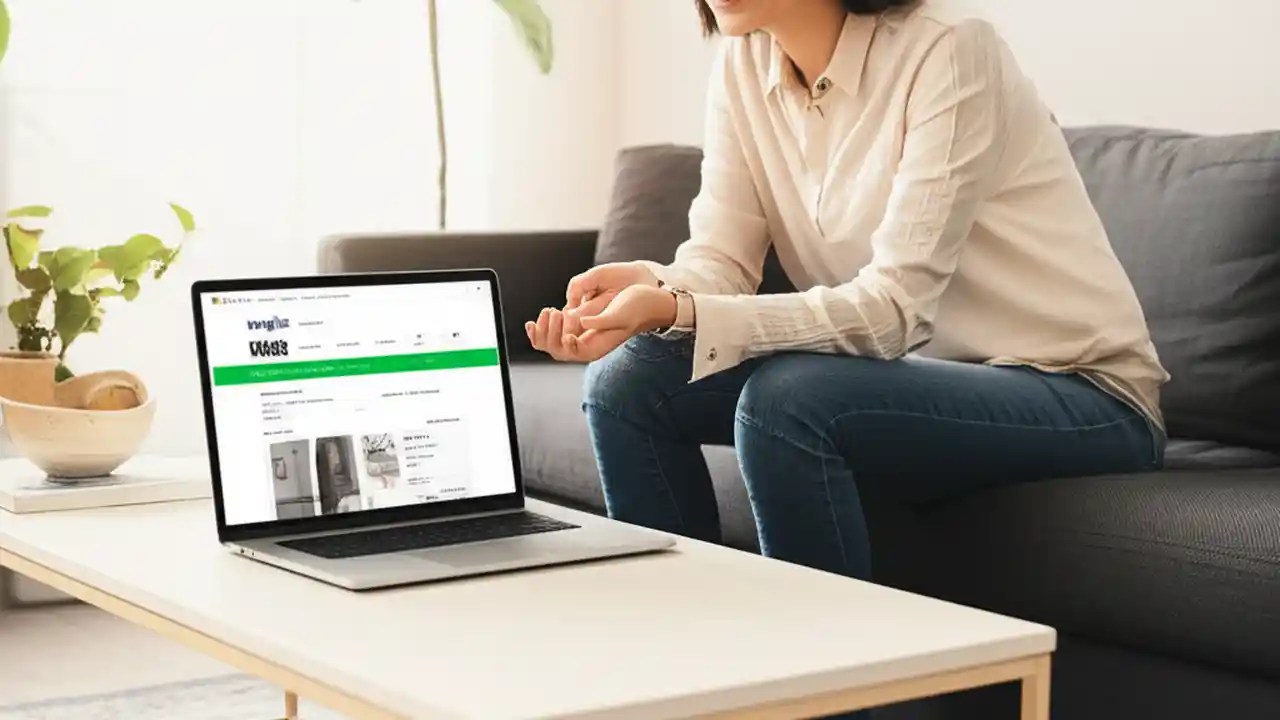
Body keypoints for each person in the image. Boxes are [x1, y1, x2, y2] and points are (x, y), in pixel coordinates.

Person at [525, 0, 1167, 583]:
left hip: (1082, 392)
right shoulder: (741, 63)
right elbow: (720, 262)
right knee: (628, 384)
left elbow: (892, 312)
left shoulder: (951, 52)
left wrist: (679, 308)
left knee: (792, 401)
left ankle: (823, 700)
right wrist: (652, 286)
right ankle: (691, 674)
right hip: (918, 379)